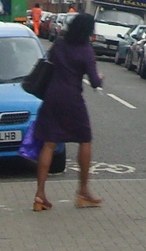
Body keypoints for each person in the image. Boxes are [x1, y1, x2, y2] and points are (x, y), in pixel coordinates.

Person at [32, 12, 103, 211]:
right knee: (84, 139)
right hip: (72, 99)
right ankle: (83, 191)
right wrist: (100, 76)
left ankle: (40, 194)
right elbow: (95, 82)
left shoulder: (60, 44)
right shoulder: (86, 50)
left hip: (52, 96)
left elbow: (49, 63)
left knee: (49, 143)